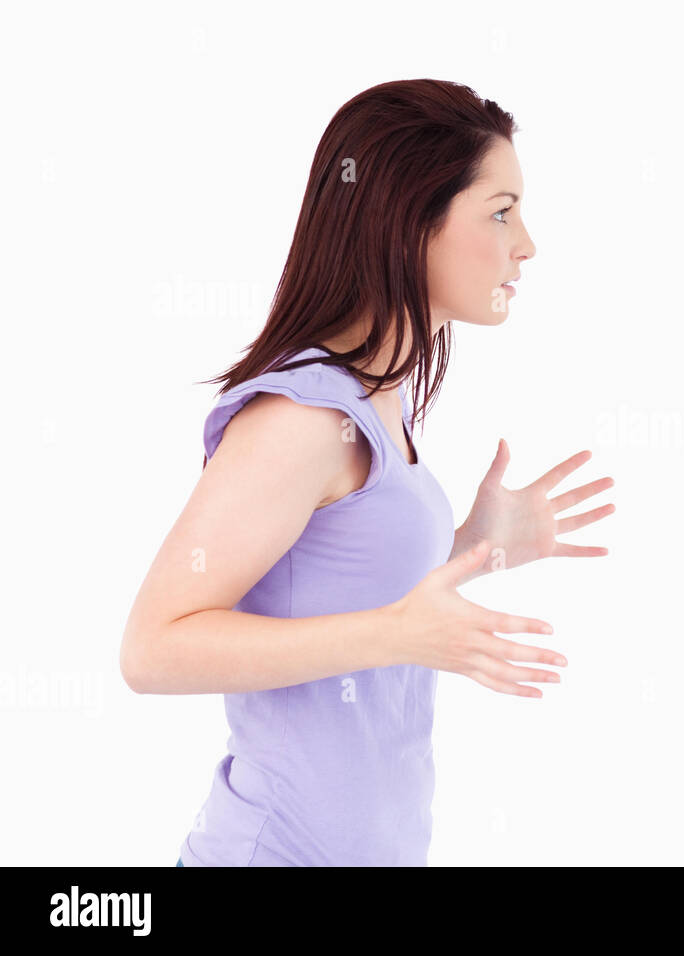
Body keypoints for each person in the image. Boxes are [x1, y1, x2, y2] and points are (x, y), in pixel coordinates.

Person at [122, 79, 614, 866]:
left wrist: (471, 549)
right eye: (500, 210)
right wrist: (393, 634)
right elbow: (152, 649)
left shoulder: (373, 402)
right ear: (412, 222)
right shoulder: (305, 418)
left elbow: (344, 593)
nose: (526, 243)